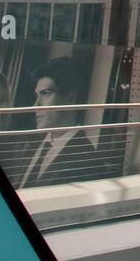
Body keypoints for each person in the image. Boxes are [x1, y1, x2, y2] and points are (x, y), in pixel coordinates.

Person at [17, 56, 99, 189]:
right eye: (37, 95)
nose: (35, 105)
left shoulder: (87, 159)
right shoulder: (30, 146)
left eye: (45, 93)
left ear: (70, 97)